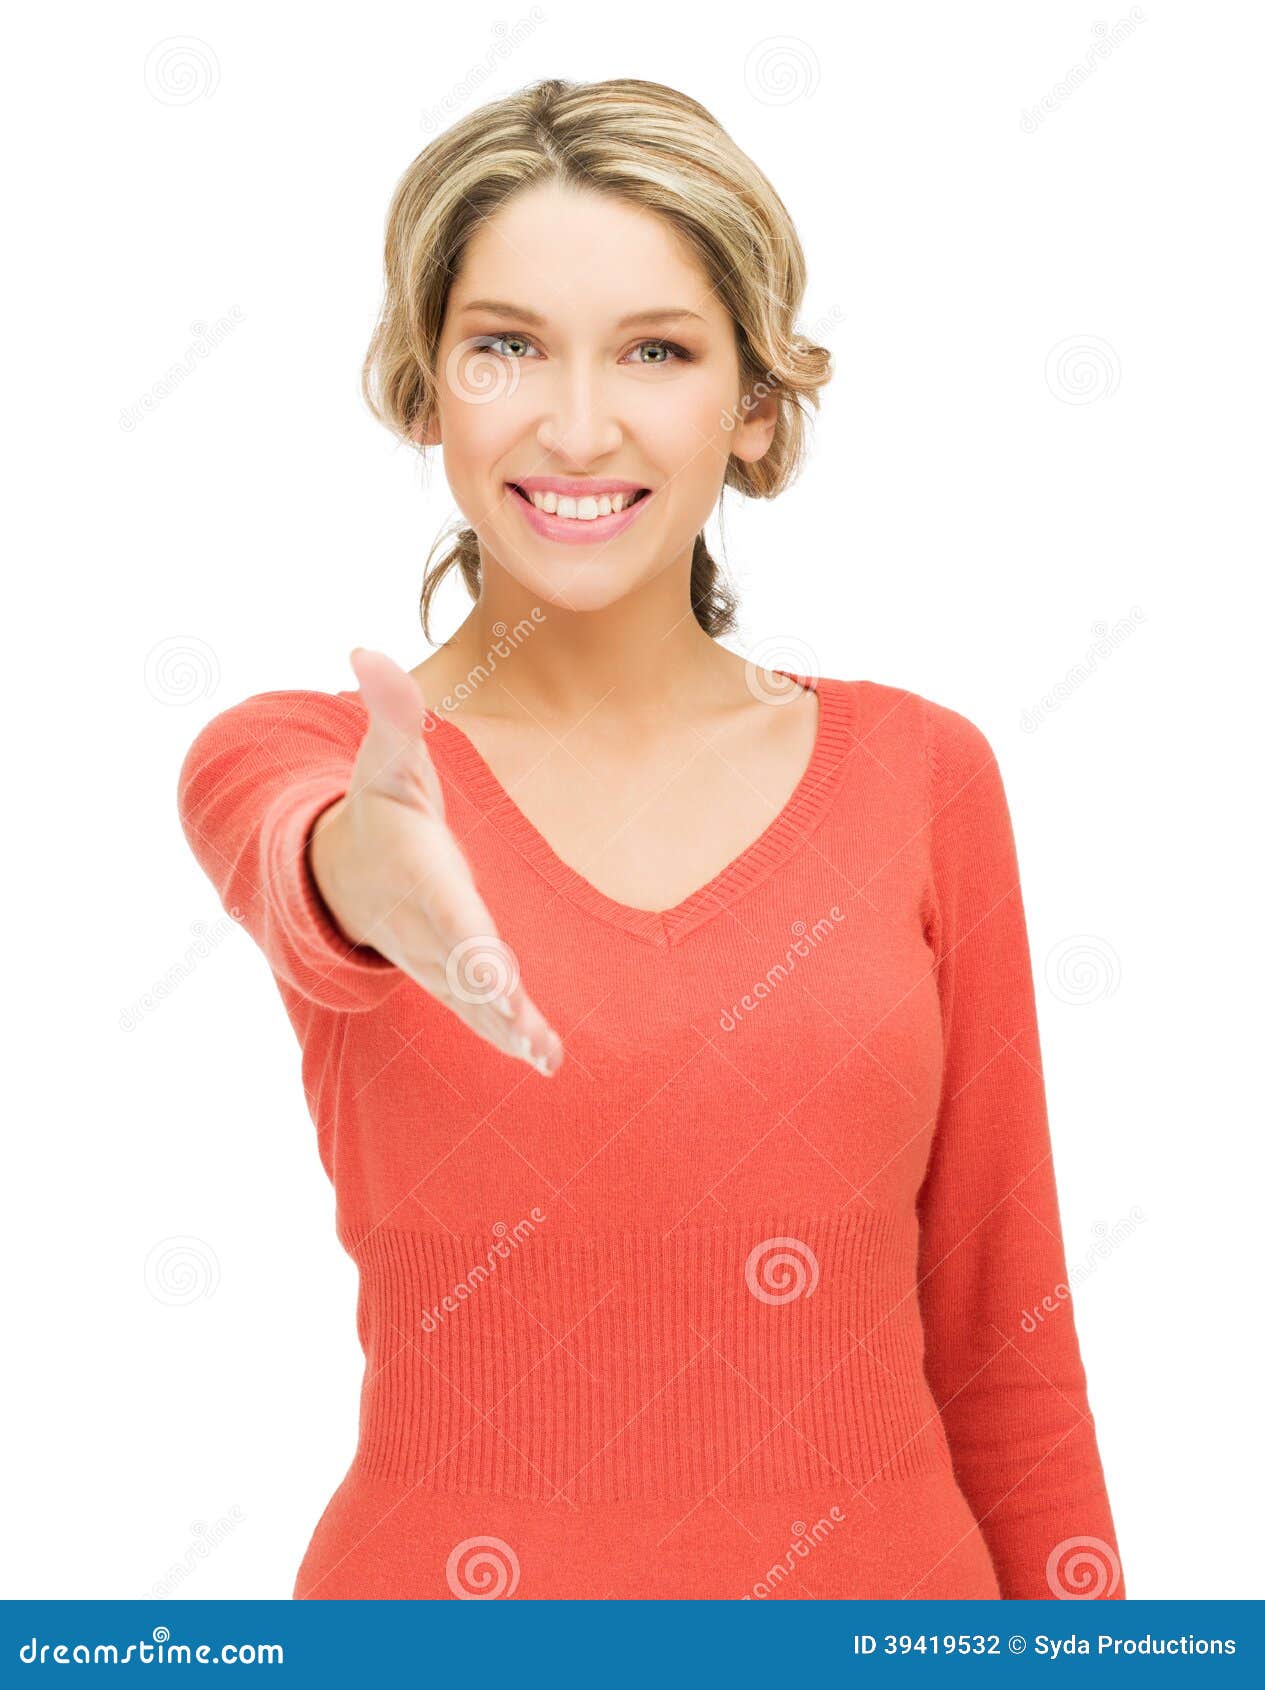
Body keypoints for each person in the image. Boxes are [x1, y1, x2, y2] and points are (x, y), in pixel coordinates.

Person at [176, 76, 1125, 1601]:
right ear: (424, 389)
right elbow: (305, 859)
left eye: (657, 352)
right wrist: (367, 875)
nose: (574, 422)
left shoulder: (921, 774)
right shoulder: (318, 760)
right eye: (504, 345)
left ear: (753, 407)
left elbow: (1006, 1347)